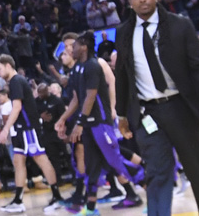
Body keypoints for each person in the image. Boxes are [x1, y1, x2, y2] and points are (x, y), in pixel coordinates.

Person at [114, 0, 199, 216]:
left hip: (180, 107)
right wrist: (121, 114)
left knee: (196, 170)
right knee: (157, 173)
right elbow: (122, 75)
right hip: (147, 113)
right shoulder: (123, 32)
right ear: (130, 2)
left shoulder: (180, 25)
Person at [57, 31, 142, 214]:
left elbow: (94, 94)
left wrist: (113, 108)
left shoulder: (95, 64)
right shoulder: (76, 69)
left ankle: (151, 186)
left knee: (117, 160)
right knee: (93, 166)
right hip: (87, 123)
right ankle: (91, 208)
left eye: (72, 45)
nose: (69, 49)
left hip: (100, 121)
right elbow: (77, 99)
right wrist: (63, 119)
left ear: (83, 46)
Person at [0, 55, 65, 213]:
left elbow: (17, 107)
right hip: (20, 129)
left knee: (41, 159)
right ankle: (18, 200)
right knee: (18, 162)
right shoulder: (14, 82)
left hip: (28, 128)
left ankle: (57, 196)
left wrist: (5, 129)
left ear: (8, 65)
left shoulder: (16, 81)